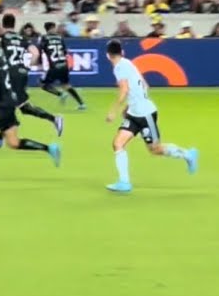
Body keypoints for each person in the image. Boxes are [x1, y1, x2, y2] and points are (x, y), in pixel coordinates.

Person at [0, 28, 61, 188]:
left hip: (4, 104)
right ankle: (50, 149)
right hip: (10, 99)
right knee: (13, 143)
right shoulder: (0, 52)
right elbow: (0, 76)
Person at [103, 39, 199, 193]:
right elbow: (144, 85)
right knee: (118, 143)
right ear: (122, 52)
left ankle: (188, 154)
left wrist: (113, 111)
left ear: (107, 55)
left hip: (146, 114)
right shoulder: (129, 63)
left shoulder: (120, 67)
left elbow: (124, 90)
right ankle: (124, 182)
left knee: (155, 149)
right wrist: (129, 106)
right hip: (134, 114)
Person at [0, 14, 64, 137]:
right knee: (16, 105)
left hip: (9, 74)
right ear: (14, 24)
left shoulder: (1, 39)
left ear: (2, 25)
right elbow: (35, 53)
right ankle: (0, 138)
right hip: (21, 74)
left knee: (10, 105)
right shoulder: (22, 38)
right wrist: (26, 67)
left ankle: (54, 119)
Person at [36, 21, 86, 110]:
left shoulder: (44, 38)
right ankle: (81, 104)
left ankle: (61, 94)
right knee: (66, 85)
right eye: (54, 27)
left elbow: (39, 50)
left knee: (42, 84)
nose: (55, 29)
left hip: (54, 66)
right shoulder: (60, 37)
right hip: (64, 65)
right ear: (51, 28)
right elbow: (65, 52)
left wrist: (39, 62)